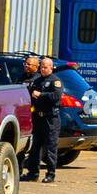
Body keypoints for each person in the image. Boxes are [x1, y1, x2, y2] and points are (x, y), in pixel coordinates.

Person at [23, 56, 63, 184]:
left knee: (51, 147)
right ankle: (32, 173)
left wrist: (41, 95)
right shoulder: (37, 80)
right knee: (35, 147)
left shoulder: (55, 81)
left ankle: (51, 174)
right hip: (37, 118)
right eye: (41, 67)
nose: (43, 69)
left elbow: (56, 97)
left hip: (50, 119)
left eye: (45, 67)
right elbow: (30, 95)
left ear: (51, 68)